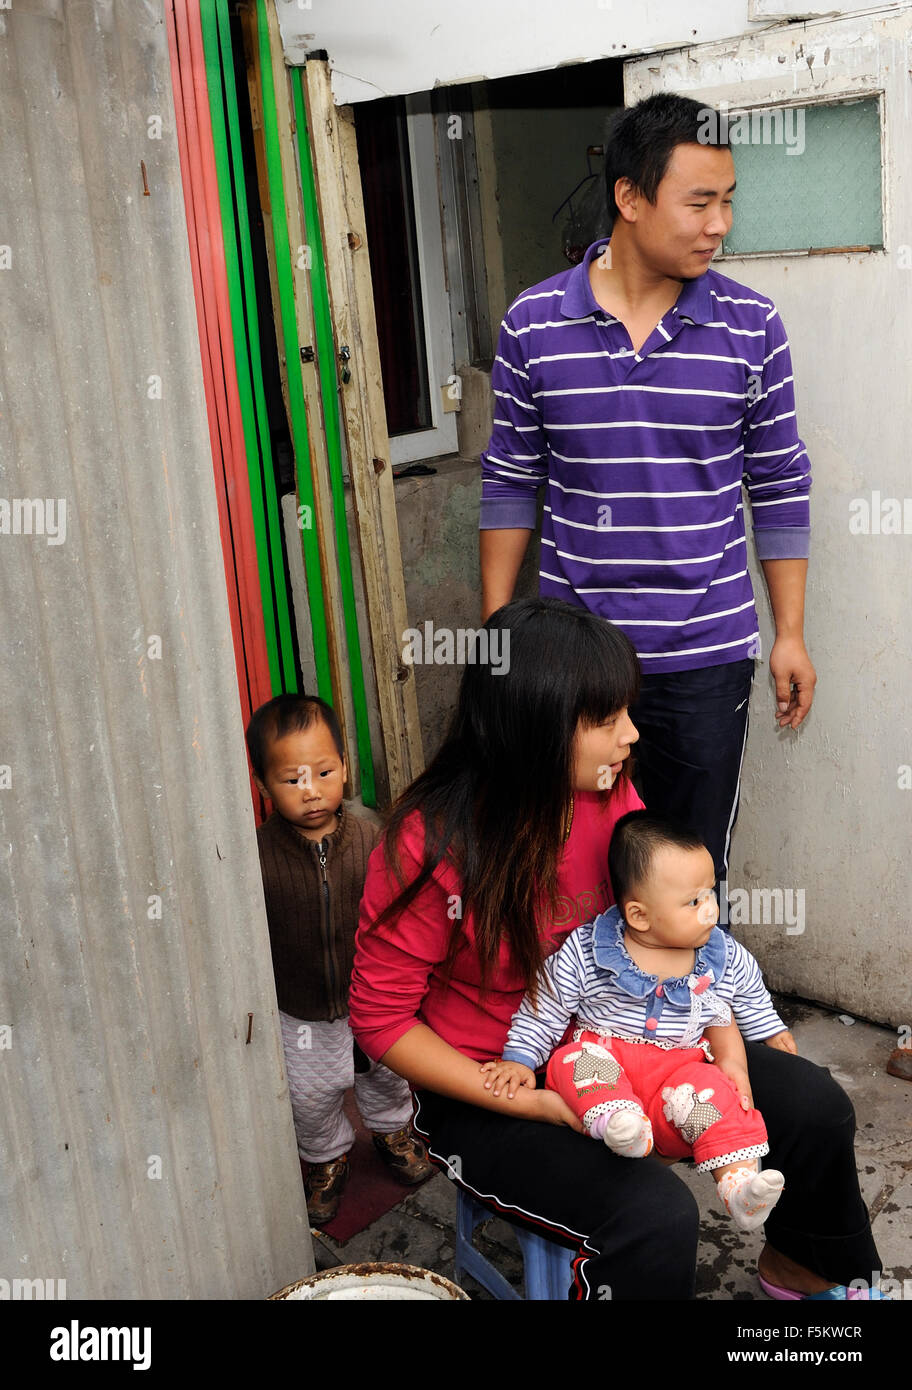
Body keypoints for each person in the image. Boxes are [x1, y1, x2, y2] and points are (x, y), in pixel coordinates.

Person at [349, 598, 881, 1300]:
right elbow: (381, 1019)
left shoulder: (607, 795)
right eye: (606, 719)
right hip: (487, 1085)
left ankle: (802, 1272)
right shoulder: (428, 843)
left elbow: (670, 925)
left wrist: (736, 1034)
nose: (631, 733)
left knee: (815, 1107)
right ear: (533, 725)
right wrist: (517, 1100)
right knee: (654, 1216)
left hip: (625, 1042)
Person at [478, 92, 817, 905]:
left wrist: (791, 634)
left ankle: (692, 1031)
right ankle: (590, 1034)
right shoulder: (534, 324)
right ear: (630, 197)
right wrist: (500, 635)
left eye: (728, 201)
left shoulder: (750, 326)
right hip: (578, 662)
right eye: (699, 201)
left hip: (706, 656)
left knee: (689, 877)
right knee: (573, 870)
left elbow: (778, 481)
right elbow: (510, 478)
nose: (719, 223)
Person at [483, 811, 790, 1233]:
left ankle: (739, 1187)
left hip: (679, 1084)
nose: (710, 910)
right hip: (604, 1068)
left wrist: (768, 1032)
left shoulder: (720, 955)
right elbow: (547, 1003)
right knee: (575, 1059)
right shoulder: (591, 950)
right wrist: (520, 1058)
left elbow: (748, 994)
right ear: (640, 916)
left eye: (710, 894)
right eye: (693, 902)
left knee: (722, 1094)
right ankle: (620, 1125)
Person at [246, 693, 432, 1225]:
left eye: (324, 772)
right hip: (301, 1008)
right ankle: (327, 1158)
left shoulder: (373, 839)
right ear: (263, 787)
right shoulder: (257, 857)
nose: (311, 791)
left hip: (374, 998)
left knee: (389, 1073)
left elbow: (403, 908)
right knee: (309, 1095)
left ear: (345, 768)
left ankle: (394, 1131)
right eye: (291, 779)